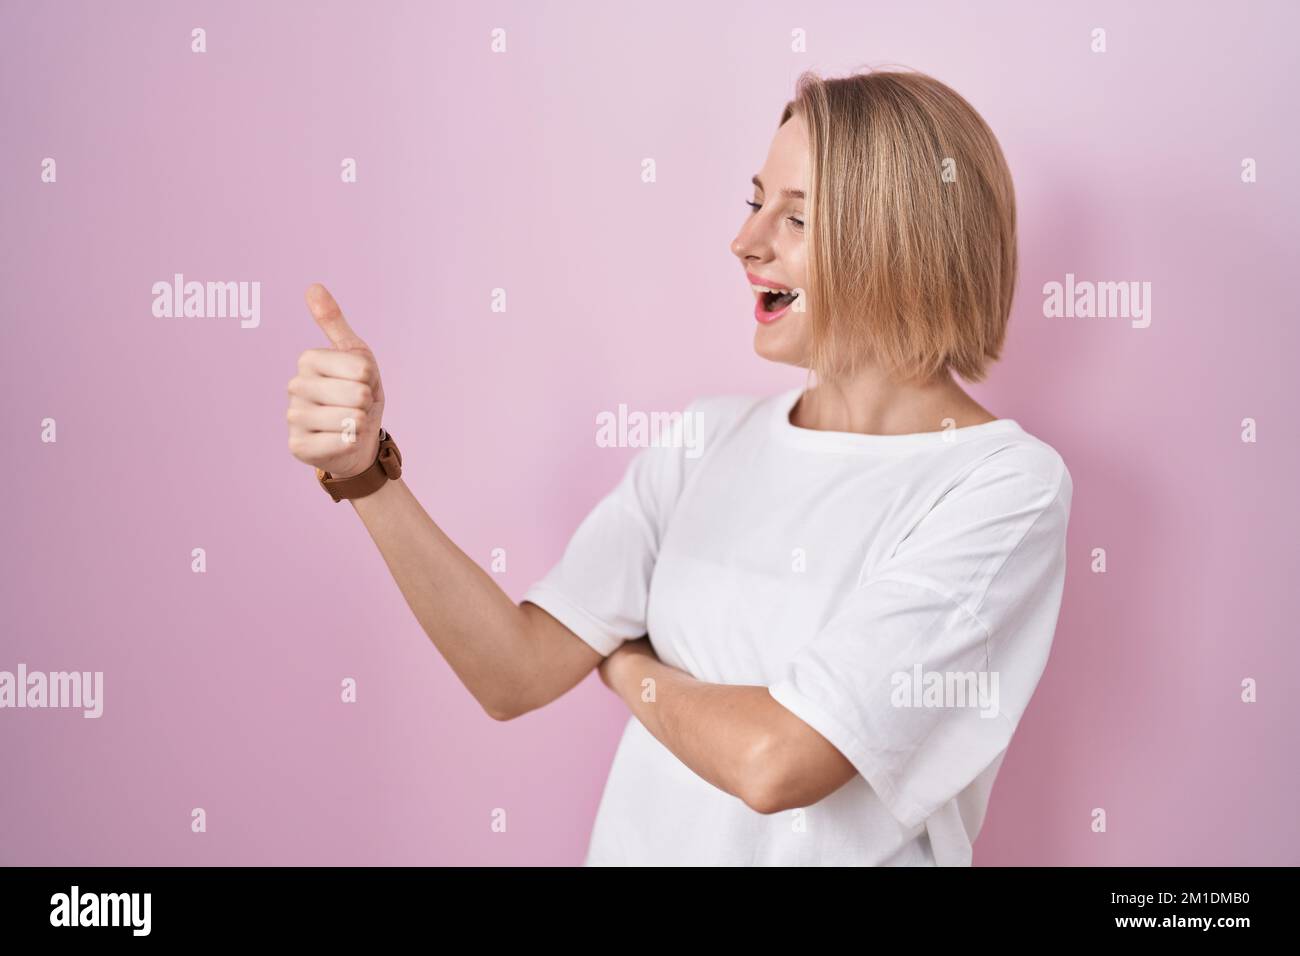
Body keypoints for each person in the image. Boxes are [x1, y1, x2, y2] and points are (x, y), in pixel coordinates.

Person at [285, 68, 1073, 866]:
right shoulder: (707, 438)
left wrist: (628, 665)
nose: (746, 242)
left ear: (901, 248)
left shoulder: (1002, 485)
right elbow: (513, 673)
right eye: (754, 201)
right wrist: (365, 476)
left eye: (796, 219)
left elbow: (780, 760)